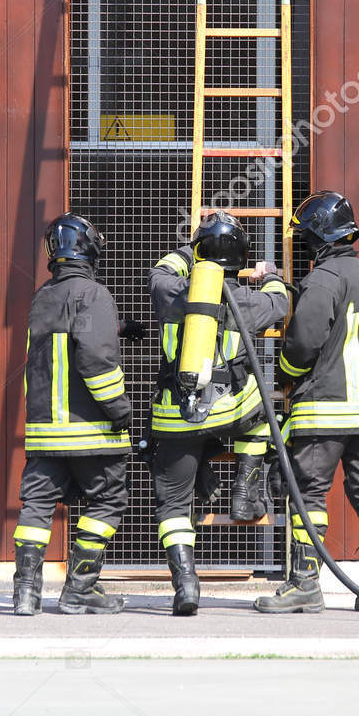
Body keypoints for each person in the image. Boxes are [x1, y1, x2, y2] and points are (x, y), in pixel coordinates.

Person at [256, 191, 359, 614]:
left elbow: (303, 345)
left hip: (324, 410)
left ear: (317, 236)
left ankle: (304, 583)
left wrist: (284, 374)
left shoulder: (323, 280)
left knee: (308, 494)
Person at [150, 211, 292, 615]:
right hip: (230, 410)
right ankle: (245, 490)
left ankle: (186, 586)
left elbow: (160, 269)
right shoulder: (248, 300)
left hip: (174, 418)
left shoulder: (169, 290)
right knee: (266, 409)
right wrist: (269, 273)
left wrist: (191, 250)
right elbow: (281, 302)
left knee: (173, 507)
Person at [10, 213, 133, 616]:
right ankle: (80, 589)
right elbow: (94, 359)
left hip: (45, 433)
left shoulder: (43, 296)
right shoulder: (94, 293)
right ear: (90, 249)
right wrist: (121, 411)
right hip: (92, 432)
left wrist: (116, 328)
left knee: (36, 507)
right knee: (106, 502)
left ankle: (25, 595)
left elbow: (60, 349)